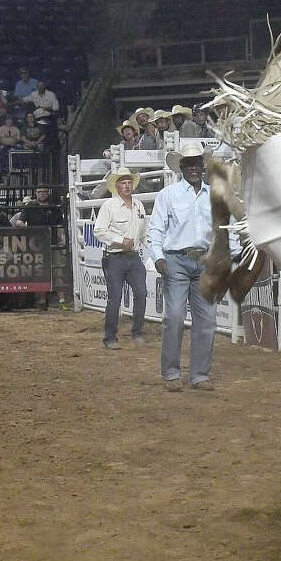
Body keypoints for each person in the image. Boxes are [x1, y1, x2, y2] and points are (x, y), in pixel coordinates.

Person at [147, 142, 219, 391]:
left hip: (204, 260)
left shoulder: (213, 195)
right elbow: (155, 228)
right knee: (174, 316)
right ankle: (171, 373)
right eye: (188, 164)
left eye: (196, 163)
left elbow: (222, 229)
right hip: (175, 259)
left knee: (207, 320)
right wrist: (158, 256)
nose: (193, 168)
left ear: (202, 165)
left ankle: (199, 374)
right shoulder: (168, 195)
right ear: (181, 167)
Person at [94, 166, 149, 349]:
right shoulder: (109, 206)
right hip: (114, 257)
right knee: (114, 298)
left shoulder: (139, 205)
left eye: (129, 182)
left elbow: (144, 234)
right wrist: (120, 240)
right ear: (116, 187)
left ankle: (137, 332)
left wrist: (156, 251)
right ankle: (110, 337)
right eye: (123, 183)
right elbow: (99, 231)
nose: (127, 186)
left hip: (133, 257)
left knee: (141, 293)